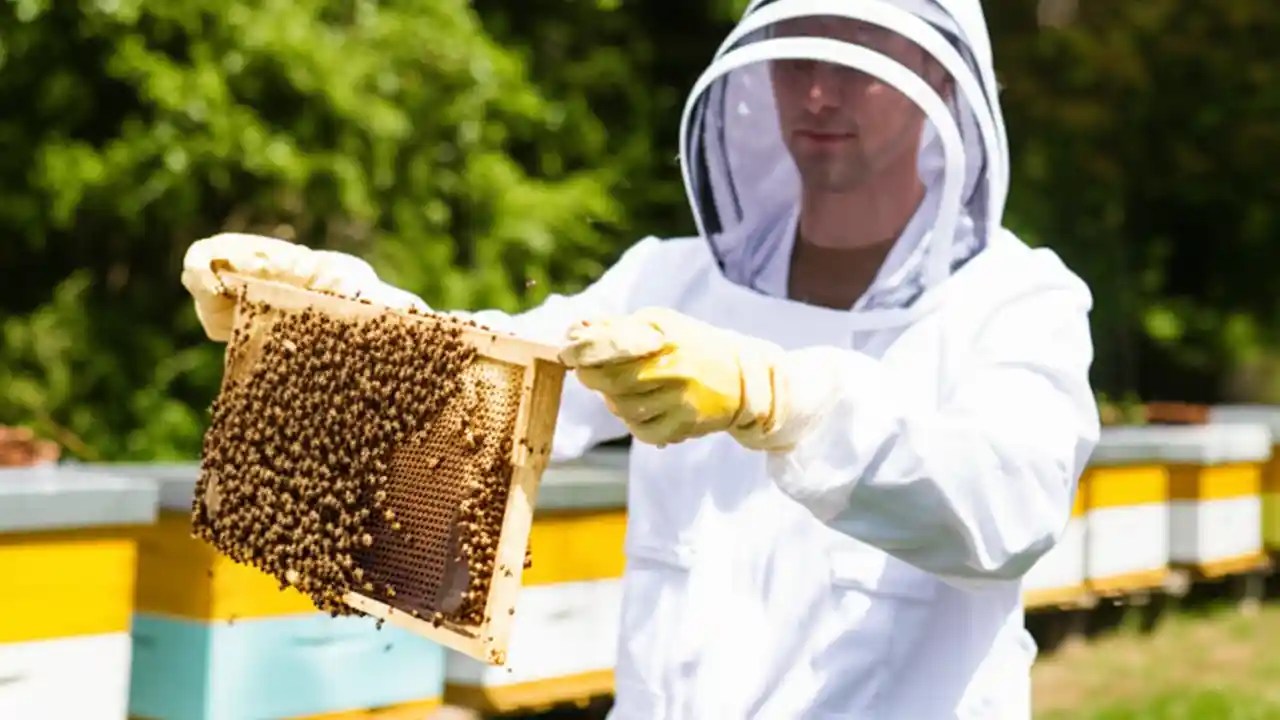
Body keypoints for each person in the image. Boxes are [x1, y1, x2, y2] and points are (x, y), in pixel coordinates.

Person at [181, 0, 1100, 716]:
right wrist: (342, 320)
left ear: (943, 80)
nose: (819, 92)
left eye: (856, 60)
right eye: (800, 55)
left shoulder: (1015, 302)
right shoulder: (671, 278)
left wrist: (781, 399)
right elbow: (492, 384)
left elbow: (1007, 504)